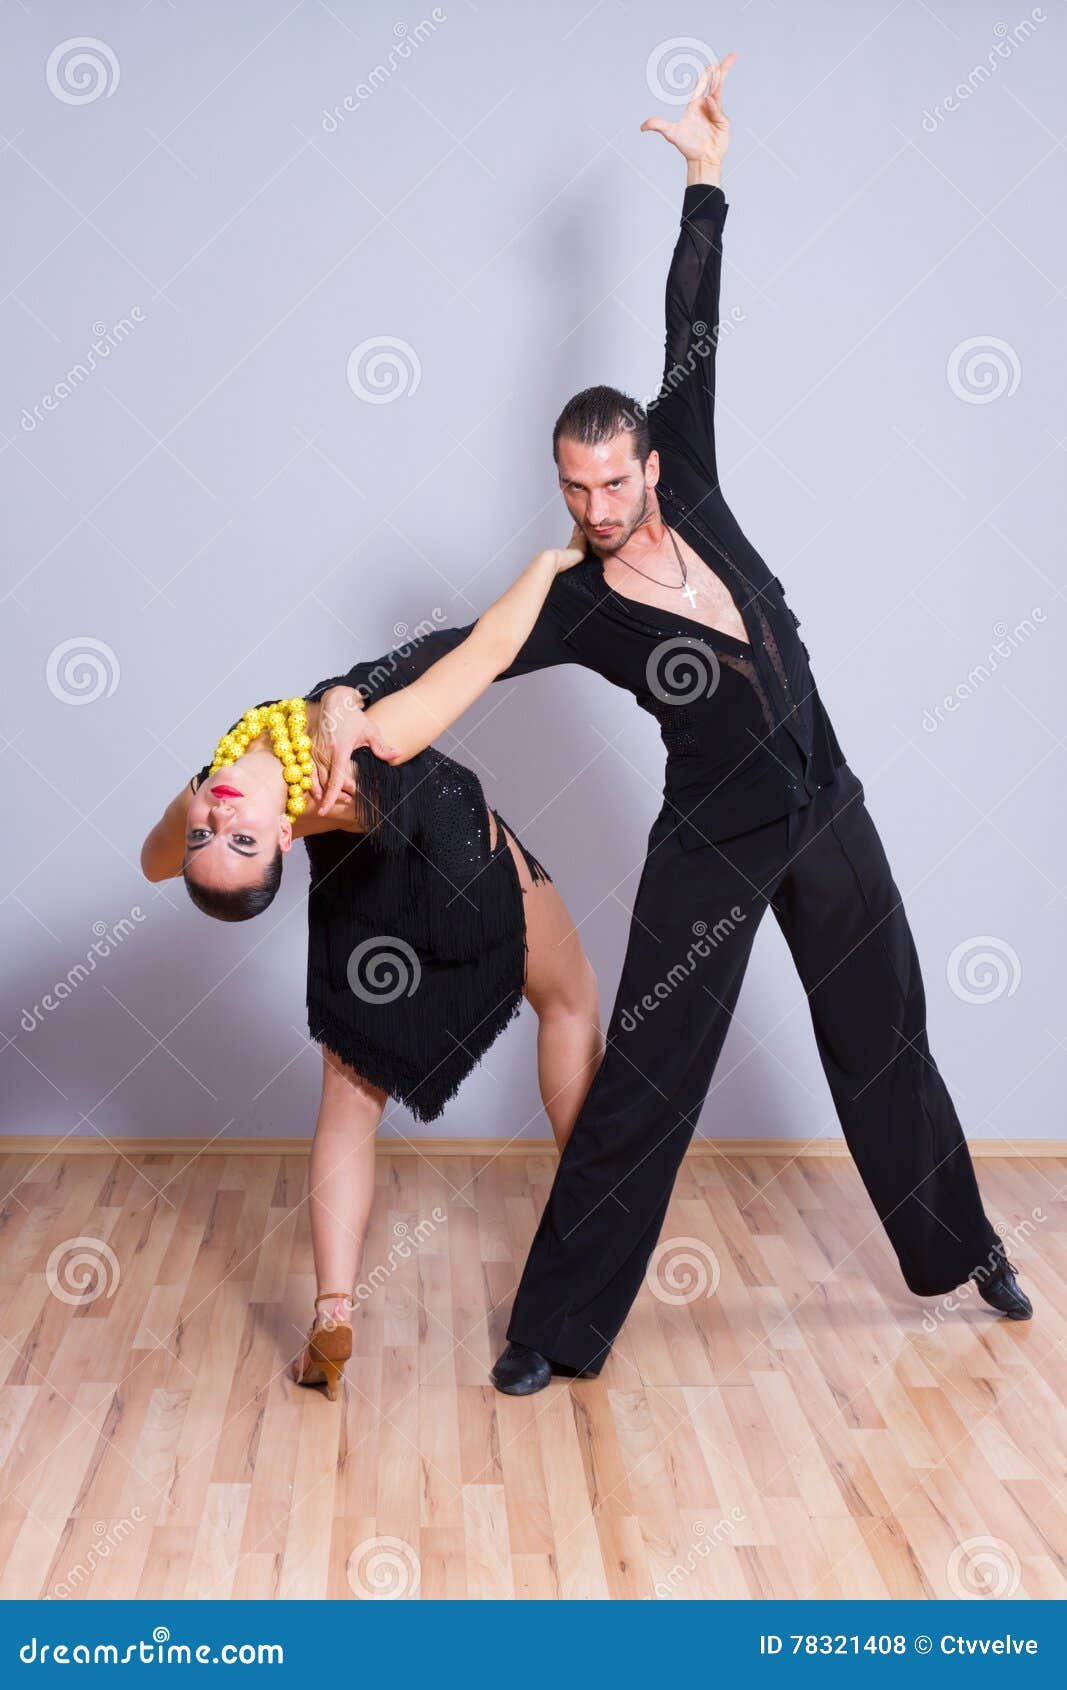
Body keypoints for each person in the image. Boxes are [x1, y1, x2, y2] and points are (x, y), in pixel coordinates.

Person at [308, 53, 1031, 1395]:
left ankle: (961, 1244)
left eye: (608, 478)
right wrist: (352, 691)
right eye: (570, 487)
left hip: (824, 799)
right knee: (644, 1075)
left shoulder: (682, 464)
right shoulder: (574, 602)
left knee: (885, 1034)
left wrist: (702, 174)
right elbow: (454, 650)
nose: (591, 505)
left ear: (645, 458)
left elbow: (690, 318)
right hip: (710, 839)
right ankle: (550, 1329)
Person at [140, 537, 602, 1399]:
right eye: (240, 843)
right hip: (464, 880)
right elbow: (485, 654)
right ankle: (597, 1234)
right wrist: (548, 563)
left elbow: (154, 863)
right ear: (284, 839)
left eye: (217, 832)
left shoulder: (216, 785)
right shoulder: (346, 761)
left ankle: (334, 1314)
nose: (221, 823)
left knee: (350, 1109)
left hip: (374, 921)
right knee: (572, 1002)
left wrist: (189, 828)